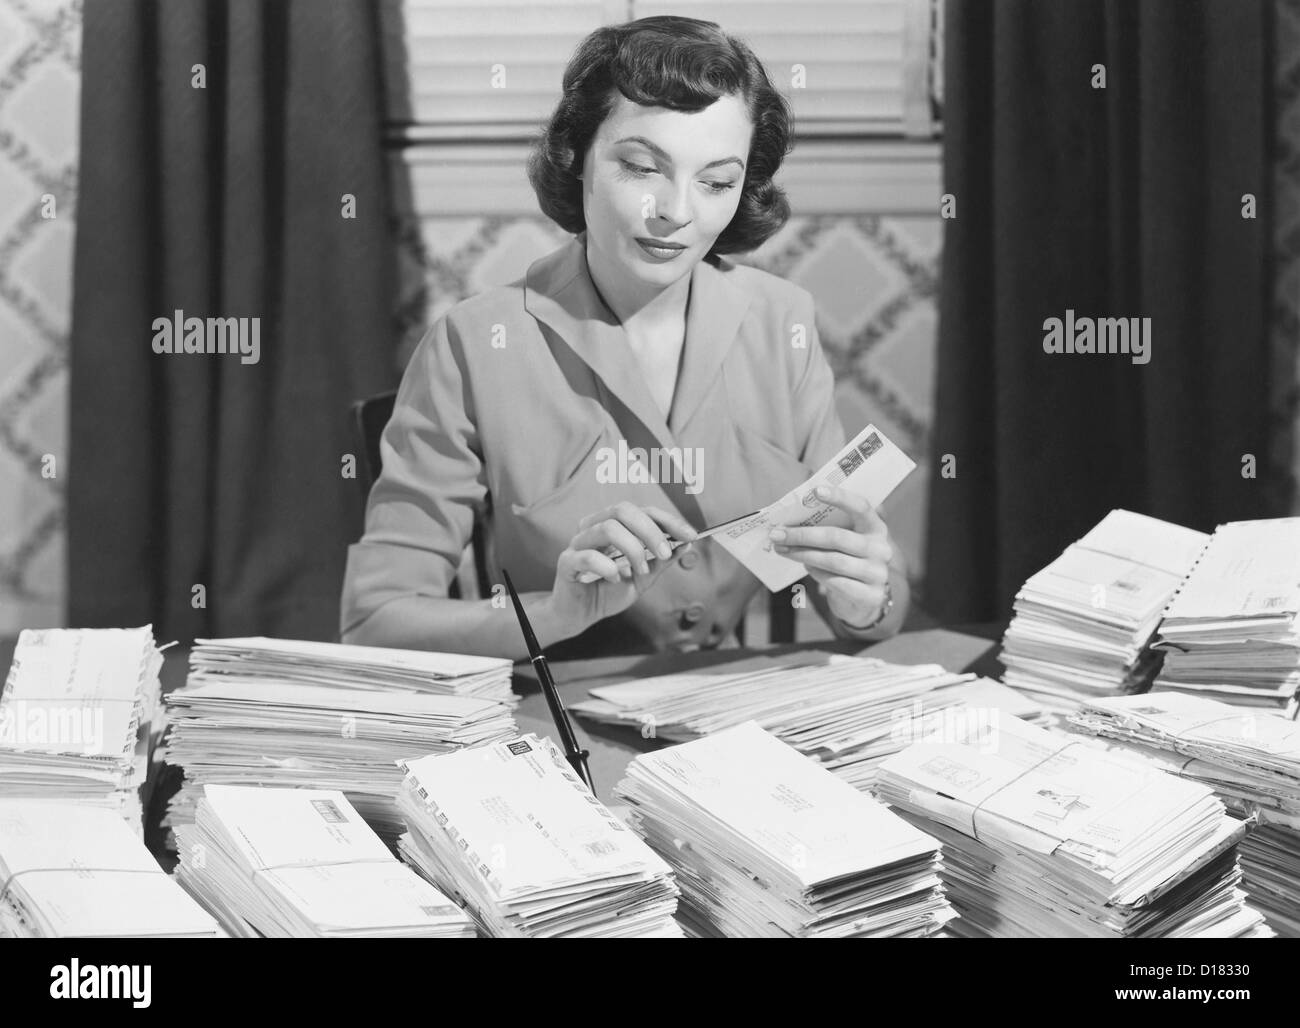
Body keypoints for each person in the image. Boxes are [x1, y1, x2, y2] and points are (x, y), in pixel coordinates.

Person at [340, 15, 910, 661]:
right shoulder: (474, 344)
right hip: (554, 718)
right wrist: (556, 614)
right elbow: (377, 622)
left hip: (726, 717)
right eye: (641, 167)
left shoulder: (783, 322)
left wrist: (866, 599)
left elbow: (873, 593)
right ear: (577, 158)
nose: (677, 210)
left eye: (717, 182)